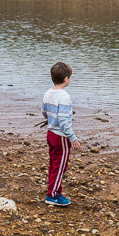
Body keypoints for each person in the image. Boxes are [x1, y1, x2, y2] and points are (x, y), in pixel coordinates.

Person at [42, 61, 81, 206]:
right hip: (61, 136)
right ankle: (52, 195)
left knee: (54, 163)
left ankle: (55, 189)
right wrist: (73, 138)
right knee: (60, 165)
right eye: (69, 77)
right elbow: (64, 122)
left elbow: (44, 112)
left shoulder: (48, 93)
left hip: (51, 133)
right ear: (66, 79)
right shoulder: (64, 97)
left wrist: (51, 120)